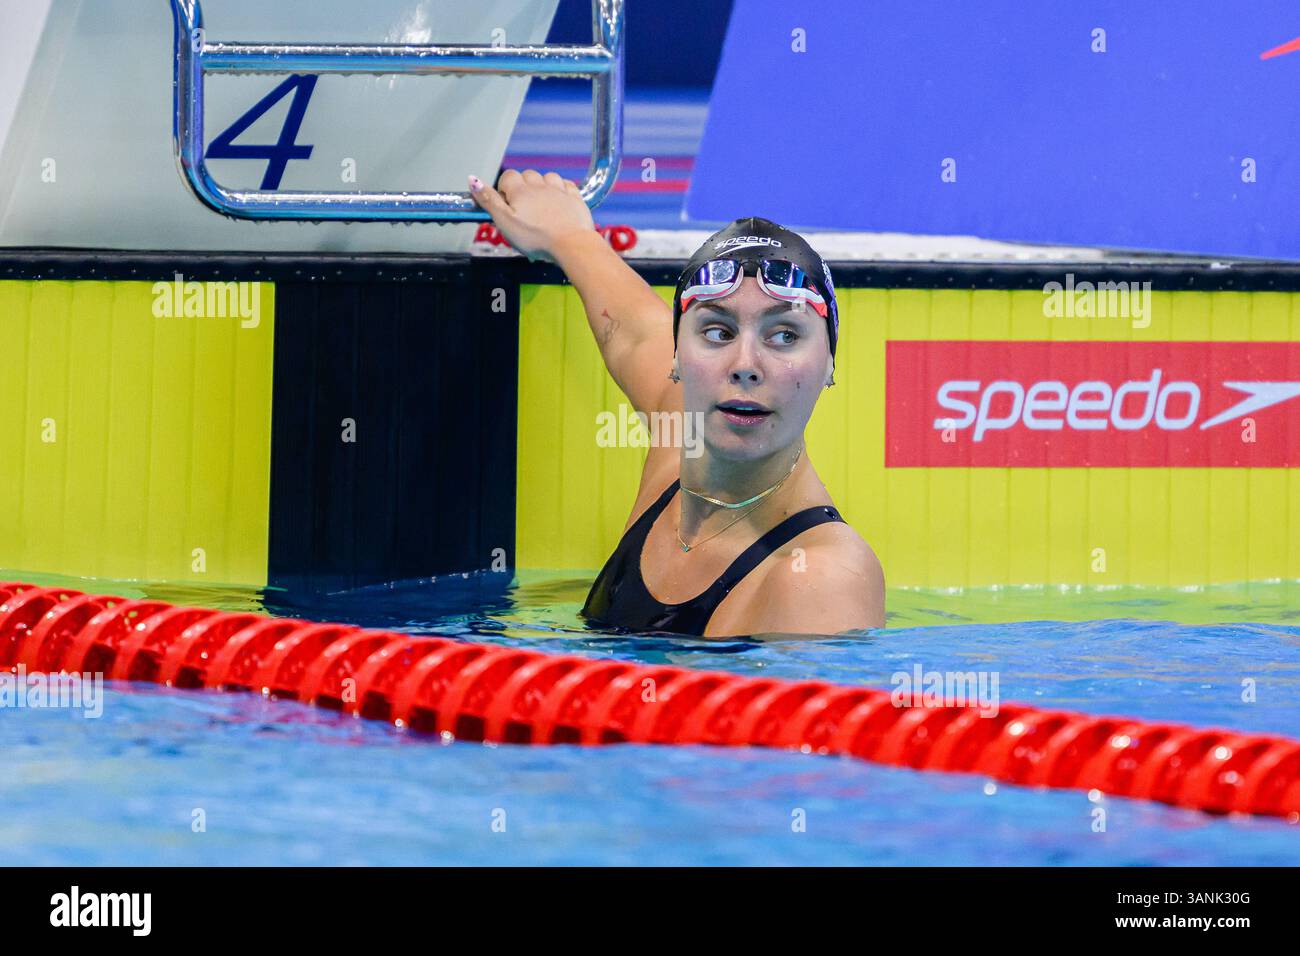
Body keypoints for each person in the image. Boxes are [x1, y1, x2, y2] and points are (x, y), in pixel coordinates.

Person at [469, 170, 885, 637]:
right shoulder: (681, 434)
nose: (744, 364)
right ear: (676, 357)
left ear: (829, 364)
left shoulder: (816, 580)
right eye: (717, 332)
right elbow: (631, 329)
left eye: (784, 335)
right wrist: (567, 234)